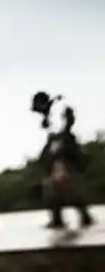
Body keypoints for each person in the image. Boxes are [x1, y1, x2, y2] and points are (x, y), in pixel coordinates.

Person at [35, 98, 94, 230]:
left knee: (72, 193)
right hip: (58, 165)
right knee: (53, 194)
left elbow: (67, 125)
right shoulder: (54, 135)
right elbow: (48, 128)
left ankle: (83, 217)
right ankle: (58, 219)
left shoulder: (66, 135)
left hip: (66, 164)